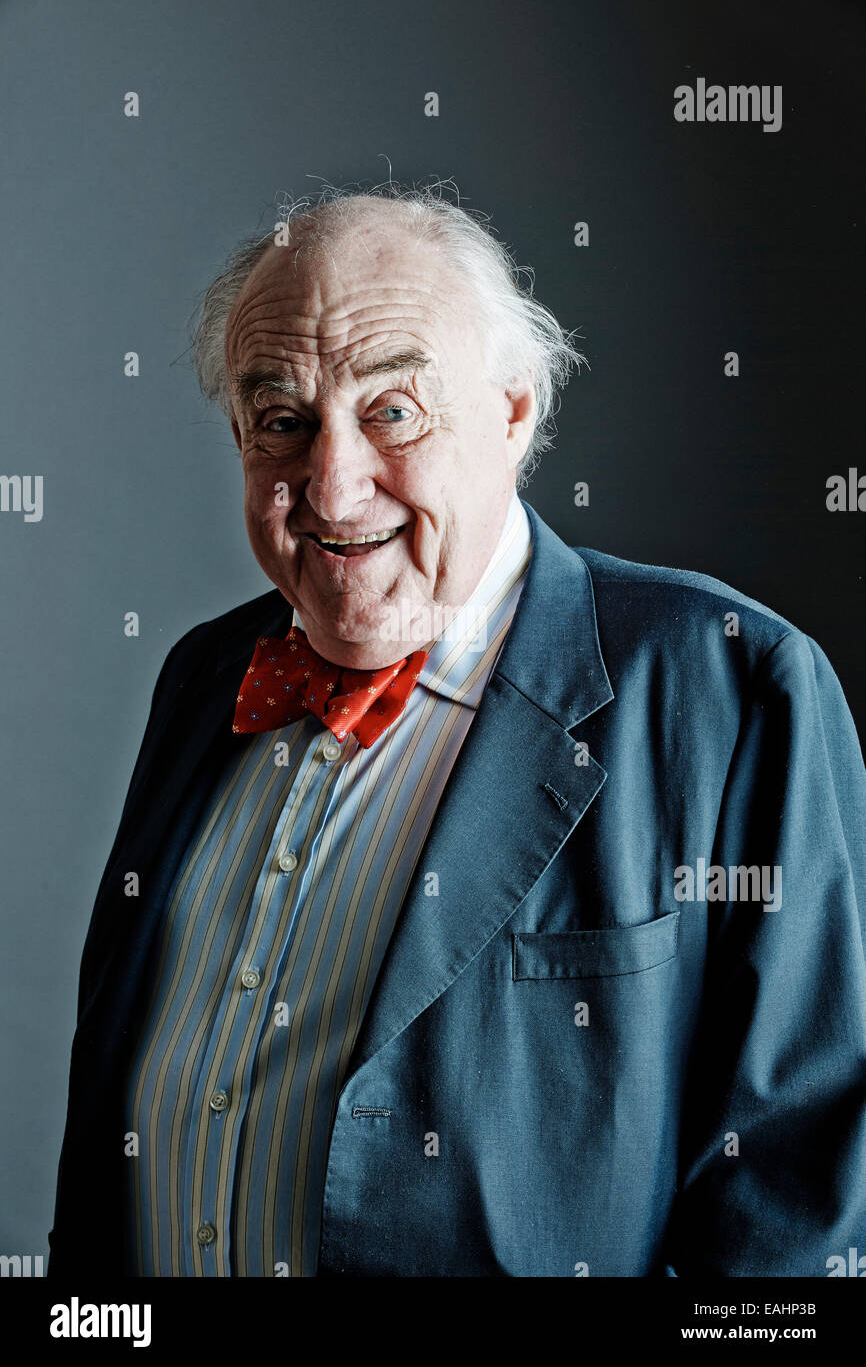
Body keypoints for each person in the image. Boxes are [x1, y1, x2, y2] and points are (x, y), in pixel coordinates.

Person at [48, 184, 866, 1278]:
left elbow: (797, 1201)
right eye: (283, 421)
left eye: (392, 411)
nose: (331, 489)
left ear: (516, 411)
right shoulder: (204, 674)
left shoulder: (729, 678)